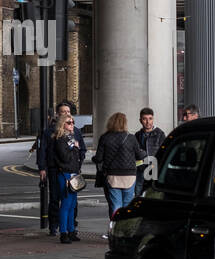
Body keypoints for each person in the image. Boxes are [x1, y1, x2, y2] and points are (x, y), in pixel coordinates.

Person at [38, 101, 85, 235]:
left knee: (72, 201)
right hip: (55, 169)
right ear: (58, 115)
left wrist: (78, 162)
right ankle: (54, 226)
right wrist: (42, 167)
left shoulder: (75, 131)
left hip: (72, 170)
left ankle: (71, 226)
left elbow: (82, 149)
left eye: (68, 112)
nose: (66, 114)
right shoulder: (50, 133)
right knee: (55, 199)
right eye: (63, 112)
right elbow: (43, 151)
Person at [92, 112, 143, 235]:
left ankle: (114, 230)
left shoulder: (105, 138)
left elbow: (98, 158)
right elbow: (140, 155)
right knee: (127, 205)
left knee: (116, 204)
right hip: (129, 175)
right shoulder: (130, 137)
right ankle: (126, 231)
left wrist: (95, 159)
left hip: (112, 175)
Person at [47, 114, 85, 243]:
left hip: (73, 173)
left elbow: (77, 156)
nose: (72, 124)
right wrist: (75, 147)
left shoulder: (70, 137)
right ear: (63, 124)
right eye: (69, 122)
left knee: (72, 205)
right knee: (66, 204)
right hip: (65, 174)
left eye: (73, 122)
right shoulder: (60, 139)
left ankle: (71, 231)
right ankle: (63, 233)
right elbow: (65, 157)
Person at [134, 107, 167, 197]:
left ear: (153, 119)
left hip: (154, 171)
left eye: (150, 119)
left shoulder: (160, 134)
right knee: (138, 195)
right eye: (145, 119)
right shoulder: (137, 135)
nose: (148, 122)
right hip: (140, 171)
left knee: (153, 196)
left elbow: (164, 153)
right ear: (140, 120)